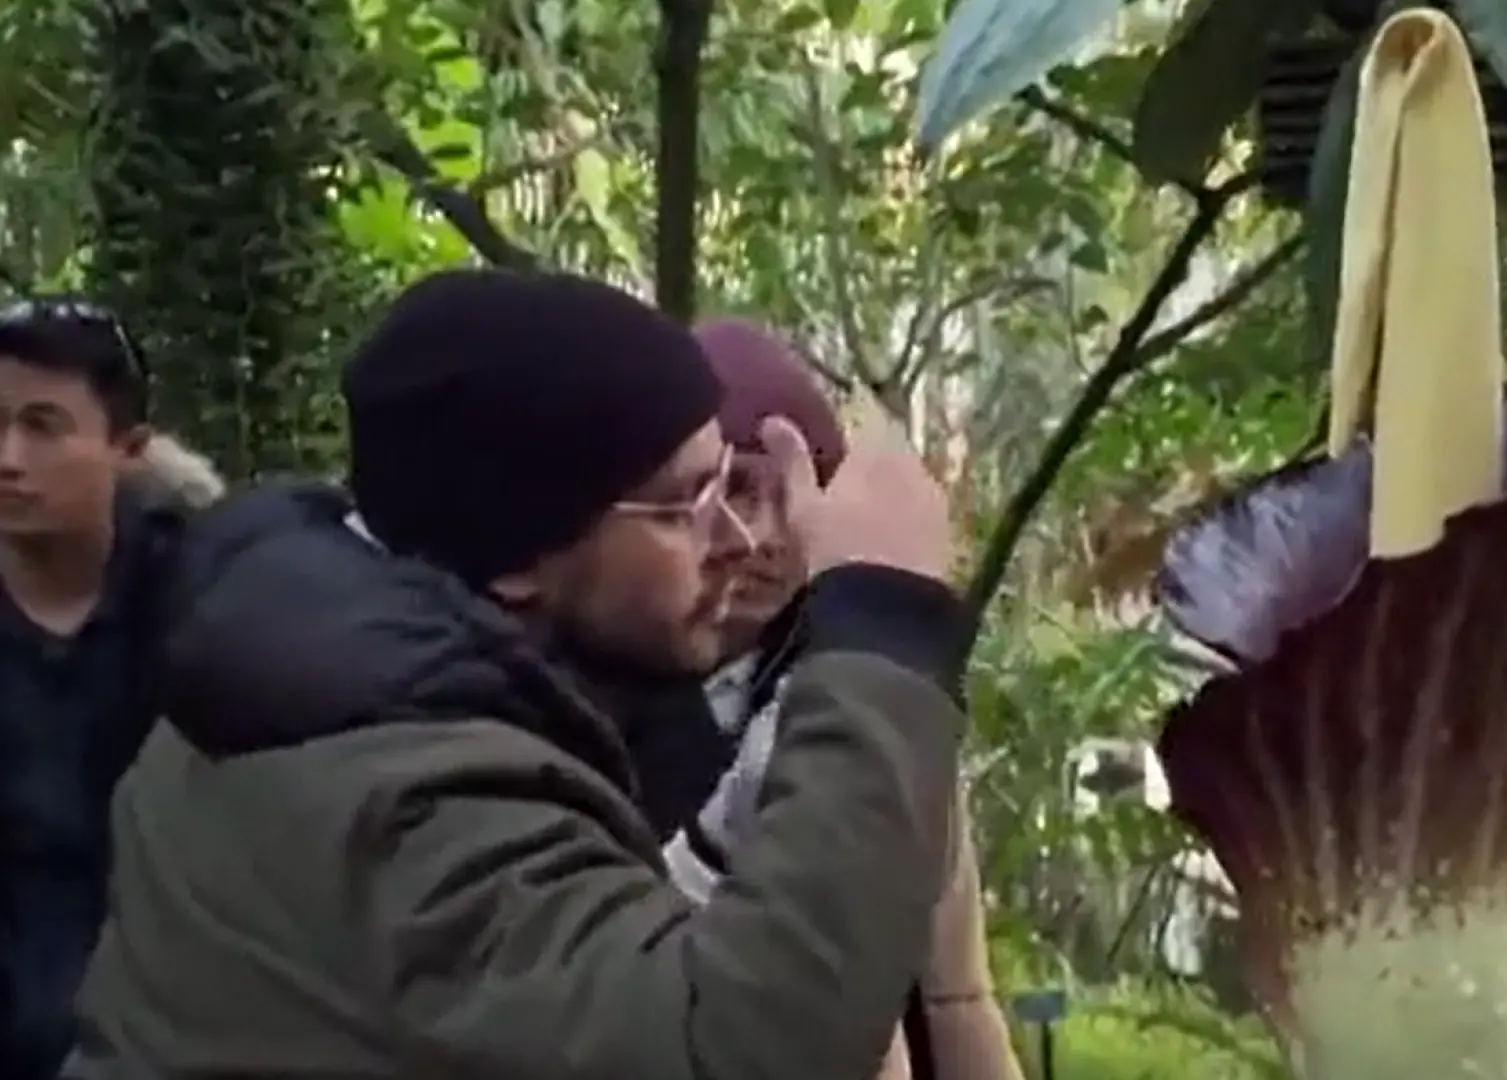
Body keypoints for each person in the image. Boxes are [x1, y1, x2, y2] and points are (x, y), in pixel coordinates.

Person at [64, 268, 969, 1080]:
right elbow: (738, 1049)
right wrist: (880, 630)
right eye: (681, 505)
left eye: (725, 482)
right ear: (521, 556)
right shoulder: (405, 793)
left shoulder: (321, 679)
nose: (732, 541)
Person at [668, 318, 1023, 1080]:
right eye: (734, 490)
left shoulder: (876, 704)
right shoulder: (583, 707)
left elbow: (958, 996)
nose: (764, 536)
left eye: (794, 496)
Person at [0, 298, 223, 1080]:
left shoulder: (209, 600)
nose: (8, 458)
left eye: (43, 427)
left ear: (127, 449)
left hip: (175, 1020)